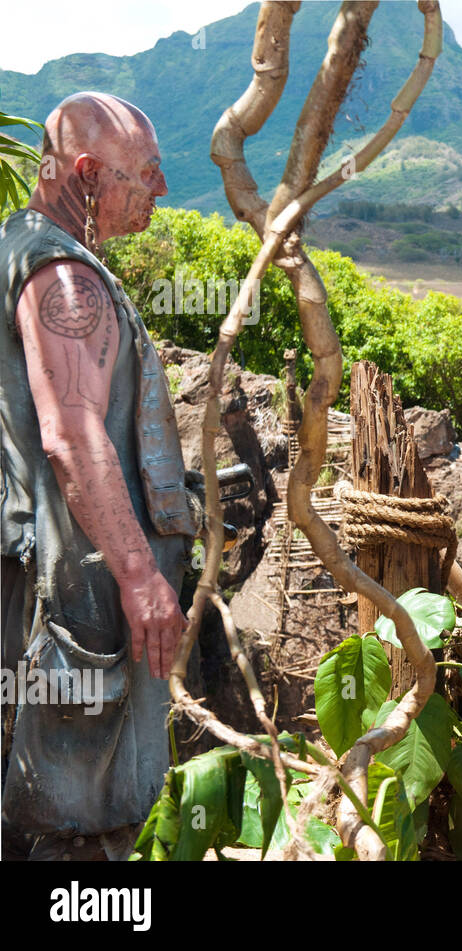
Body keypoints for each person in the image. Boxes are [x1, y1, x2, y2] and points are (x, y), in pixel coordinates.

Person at [1, 92, 195, 860]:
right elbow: (73, 434)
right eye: (145, 173)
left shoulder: (19, 242)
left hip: (45, 583)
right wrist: (142, 575)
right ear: (86, 174)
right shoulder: (63, 277)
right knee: (79, 819)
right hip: (76, 596)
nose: (162, 190)